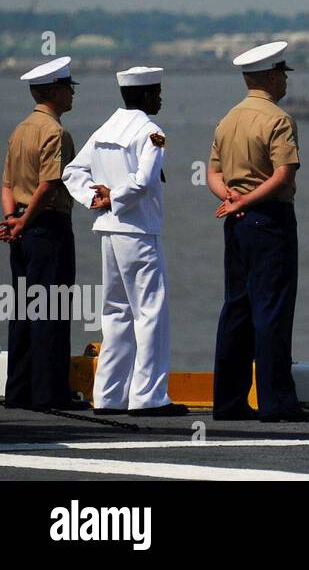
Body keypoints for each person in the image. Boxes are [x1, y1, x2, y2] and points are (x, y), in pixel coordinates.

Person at [63, 66, 187, 417]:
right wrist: (113, 196)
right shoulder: (151, 132)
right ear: (145, 95)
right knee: (150, 313)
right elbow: (144, 180)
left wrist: (94, 198)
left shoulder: (105, 129)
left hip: (108, 230)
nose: (160, 98)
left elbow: (72, 171)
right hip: (139, 230)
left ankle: (109, 395)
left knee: (116, 313)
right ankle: (149, 396)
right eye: (157, 92)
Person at [208, 40, 309, 423]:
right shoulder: (279, 120)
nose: (285, 81)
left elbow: (213, 172)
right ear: (271, 76)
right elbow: (283, 176)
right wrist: (248, 199)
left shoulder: (228, 119)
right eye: (282, 74)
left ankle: (228, 401)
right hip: (270, 220)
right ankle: (277, 401)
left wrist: (231, 197)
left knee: (236, 308)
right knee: (272, 310)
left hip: (236, 221)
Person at [1, 57, 87, 411]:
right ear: (54, 91)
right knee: (52, 308)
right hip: (47, 226)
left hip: (20, 227)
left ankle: (19, 390)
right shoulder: (55, 133)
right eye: (67, 88)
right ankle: (50, 393)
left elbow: (7, 184)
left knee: (23, 309)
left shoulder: (20, 130)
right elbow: (49, 185)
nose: (71, 94)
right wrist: (26, 221)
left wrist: (12, 219)